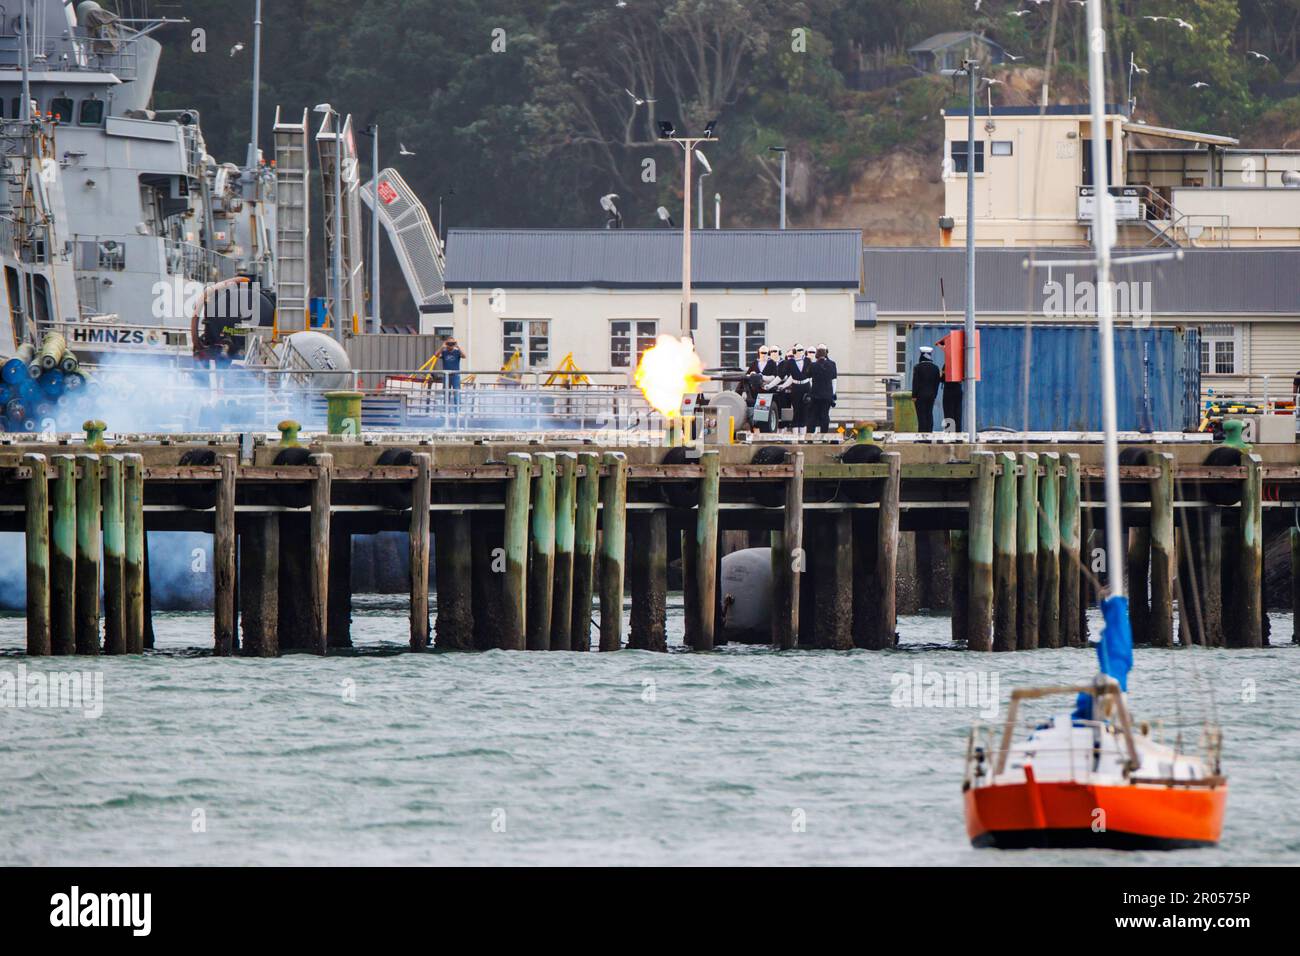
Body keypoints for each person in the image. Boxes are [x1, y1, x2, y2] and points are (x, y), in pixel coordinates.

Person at [780, 343, 814, 434]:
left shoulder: (808, 360)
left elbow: (811, 375)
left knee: (804, 411)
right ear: (794, 352)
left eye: (802, 350)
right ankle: (795, 435)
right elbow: (784, 377)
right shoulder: (790, 362)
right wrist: (780, 385)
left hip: (806, 387)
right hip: (796, 387)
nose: (800, 352)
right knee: (796, 410)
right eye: (798, 350)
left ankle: (802, 435)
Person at [911, 345, 941, 434]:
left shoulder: (918, 367)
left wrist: (914, 395)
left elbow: (915, 382)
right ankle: (929, 435)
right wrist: (934, 395)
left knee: (921, 415)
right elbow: (937, 383)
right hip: (931, 395)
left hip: (920, 395)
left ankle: (922, 436)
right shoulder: (935, 368)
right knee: (929, 414)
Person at [808, 344, 837, 433]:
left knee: (813, 415)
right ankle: (824, 434)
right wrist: (833, 393)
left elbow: (809, 377)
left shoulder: (813, 365)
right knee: (825, 415)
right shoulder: (832, 364)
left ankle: (810, 435)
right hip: (827, 394)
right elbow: (834, 379)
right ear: (825, 354)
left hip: (815, 393)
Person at [437, 336, 466, 408]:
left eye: (452, 343)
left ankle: (458, 411)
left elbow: (464, 356)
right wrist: (442, 347)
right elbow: (436, 355)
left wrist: (458, 346)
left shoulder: (457, 352)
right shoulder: (444, 352)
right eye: (449, 343)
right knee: (446, 393)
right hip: (446, 376)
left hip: (455, 375)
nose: (450, 345)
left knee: (457, 393)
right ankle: (446, 411)